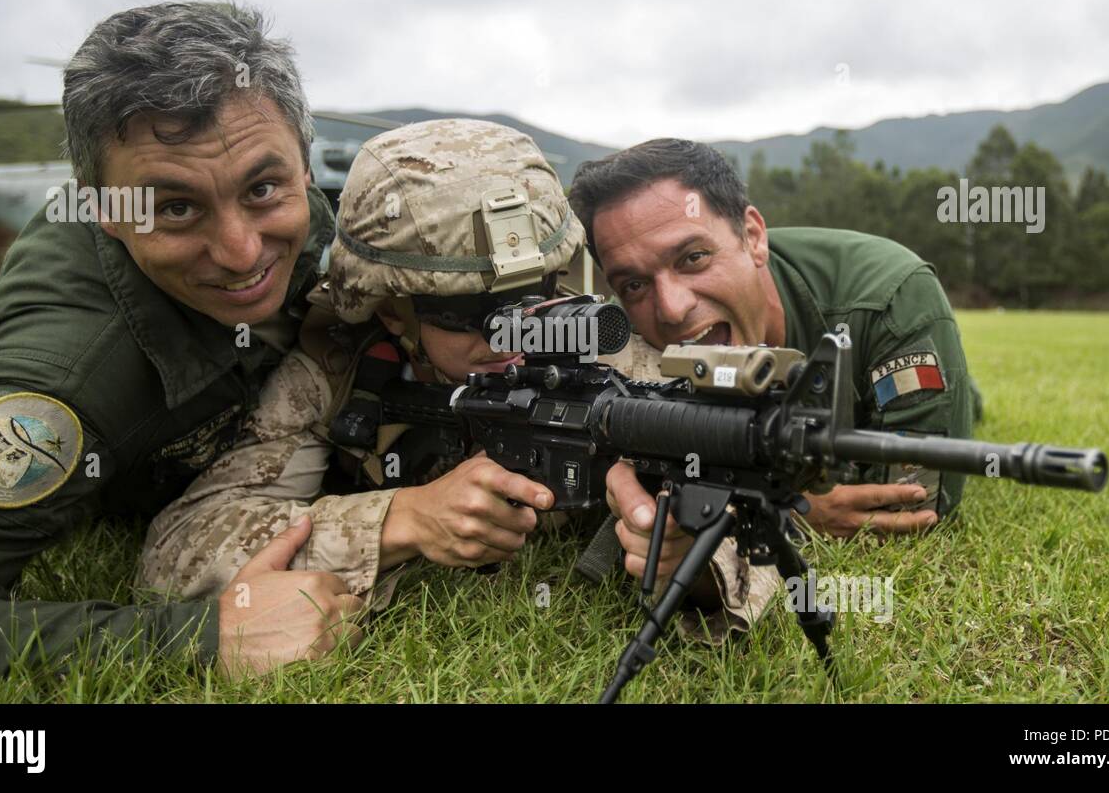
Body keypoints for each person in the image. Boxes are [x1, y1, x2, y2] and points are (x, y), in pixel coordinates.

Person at [136, 119, 781, 674]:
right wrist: (402, 520)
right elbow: (178, 548)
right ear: (393, 315)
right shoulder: (336, 371)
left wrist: (692, 562)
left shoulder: (605, 353)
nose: (512, 333)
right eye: (467, 312)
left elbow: (757, 505)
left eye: (533, 298)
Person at [0, 2, 360, 679]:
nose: (241, 250)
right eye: (175, 206)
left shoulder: (340, 235)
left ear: (305, 169)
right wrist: (199, 638)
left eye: (263, 187)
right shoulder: (66, 384)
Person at [567, 138, 978, 557]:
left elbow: (915, 507)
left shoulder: (891, 299)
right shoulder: (621, 338)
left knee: (968, 405)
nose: (672, 308)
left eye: (693, 258)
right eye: (634, 285)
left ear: (753, 236)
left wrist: (779, 511)